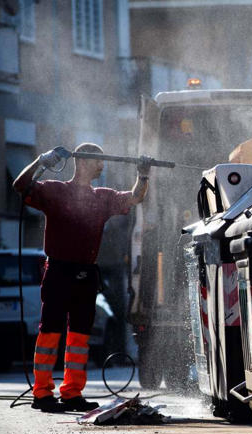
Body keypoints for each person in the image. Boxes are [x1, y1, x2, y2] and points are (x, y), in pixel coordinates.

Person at [13, 143, 151, 413]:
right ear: (85, 163)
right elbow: (20, 184)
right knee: (50, 331)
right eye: (99, 161)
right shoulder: (56, 191)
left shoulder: (102, 196)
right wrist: (42, 161)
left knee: (79, 335)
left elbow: (135, 197)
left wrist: (143, 174)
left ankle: (72, 393)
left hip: (86, 273)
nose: (102, 166)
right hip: (58, 271)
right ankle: (42, 394)